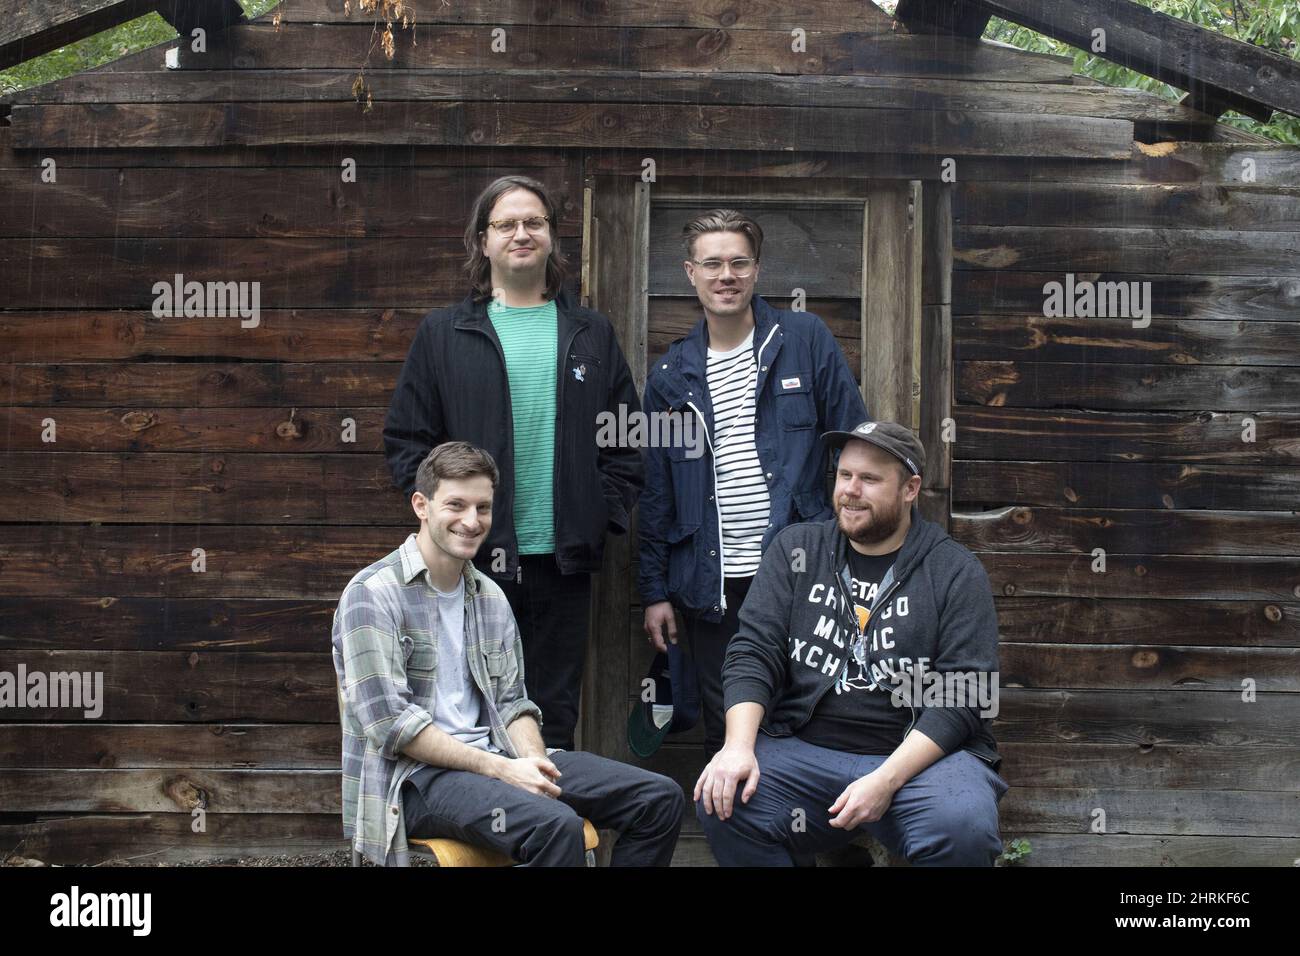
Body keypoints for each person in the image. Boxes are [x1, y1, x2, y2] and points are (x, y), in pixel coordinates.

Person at [383, 175, 643, 751]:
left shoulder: (590, 333)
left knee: (551, 713)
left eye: (535, 223)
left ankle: (553, 836)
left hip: (563, 560)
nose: (521, 234)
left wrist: (602, 514)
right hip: (470, 561)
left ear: (552, 238)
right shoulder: (445, 333)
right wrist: (444, 522)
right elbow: (407, 440)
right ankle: (482, 835)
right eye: (506, 224)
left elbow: (627, 437)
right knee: (468, 707)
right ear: (482, 240)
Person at [332, 442, 683, 866]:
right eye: (456, 505)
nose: (471, 521)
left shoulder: (488, 597)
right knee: (555, 824)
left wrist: (533, 762)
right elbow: (394, 728)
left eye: (483, 507)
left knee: (658, 799)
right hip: (415, 781)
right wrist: (501, 770)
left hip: (498, 756)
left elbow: (512, 703)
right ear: (421, 505)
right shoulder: (373, 595)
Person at [694, 422, 1009, 866]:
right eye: (844, 476)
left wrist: (887, 779)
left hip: (921, 764)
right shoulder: (796, 550)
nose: (850, 491)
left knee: (963, 827)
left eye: (870, 480)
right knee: (723, 797)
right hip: (807, 754)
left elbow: (965, 696)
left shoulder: (954, 571)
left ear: (910, 488)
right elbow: (754, 651)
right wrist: (737, 747)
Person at [638, 208, 868, 756]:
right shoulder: (668, 378)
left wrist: (856, 549)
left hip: (801, 567)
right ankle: (744, 835)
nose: (726, 275)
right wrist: (653, 591)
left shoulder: (804, 338)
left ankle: (816, 834)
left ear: (757, 270)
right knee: (730, 719)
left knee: (815, 704)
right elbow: (656, 493)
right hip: (710, 580)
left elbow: (854, 444)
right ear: (690, 273)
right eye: (712, 264)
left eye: (738, 262)